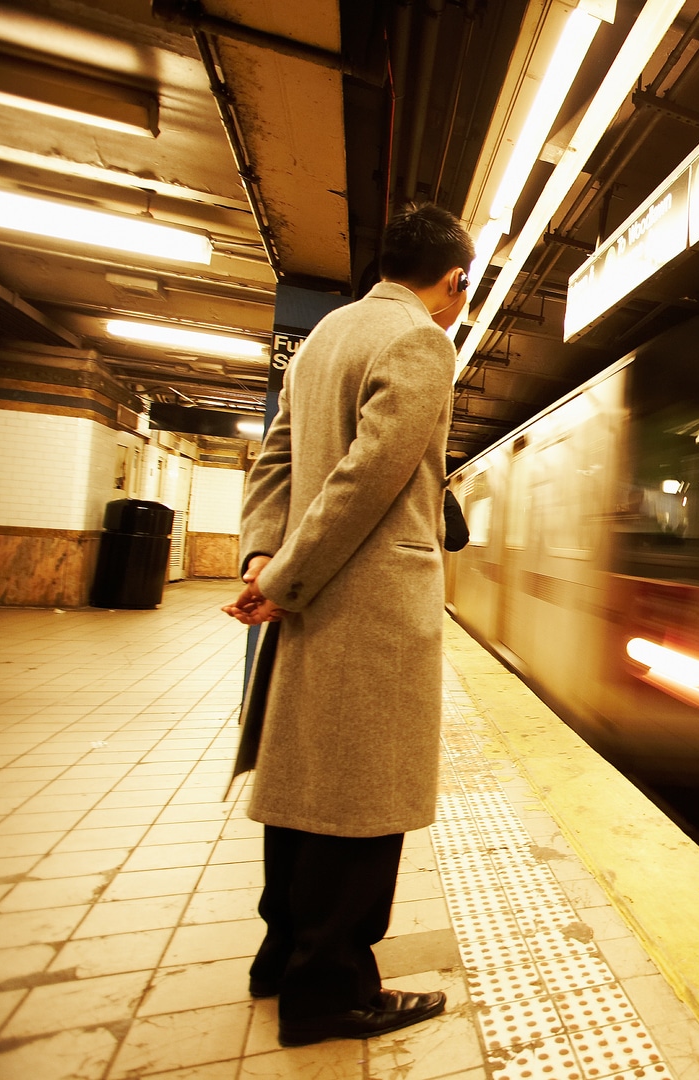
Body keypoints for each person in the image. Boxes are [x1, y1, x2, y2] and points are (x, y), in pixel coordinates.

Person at [222, 203, 473, 1047]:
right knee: (364, 803)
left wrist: (263, 559)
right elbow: (369, 479)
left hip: (312, 598)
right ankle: (330, 992)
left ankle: (281, 956)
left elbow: (277, 461)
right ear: (453, 281)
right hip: (369, 607)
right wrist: (285, 578)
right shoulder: (423, 341)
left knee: (303, 788)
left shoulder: (324, 336)